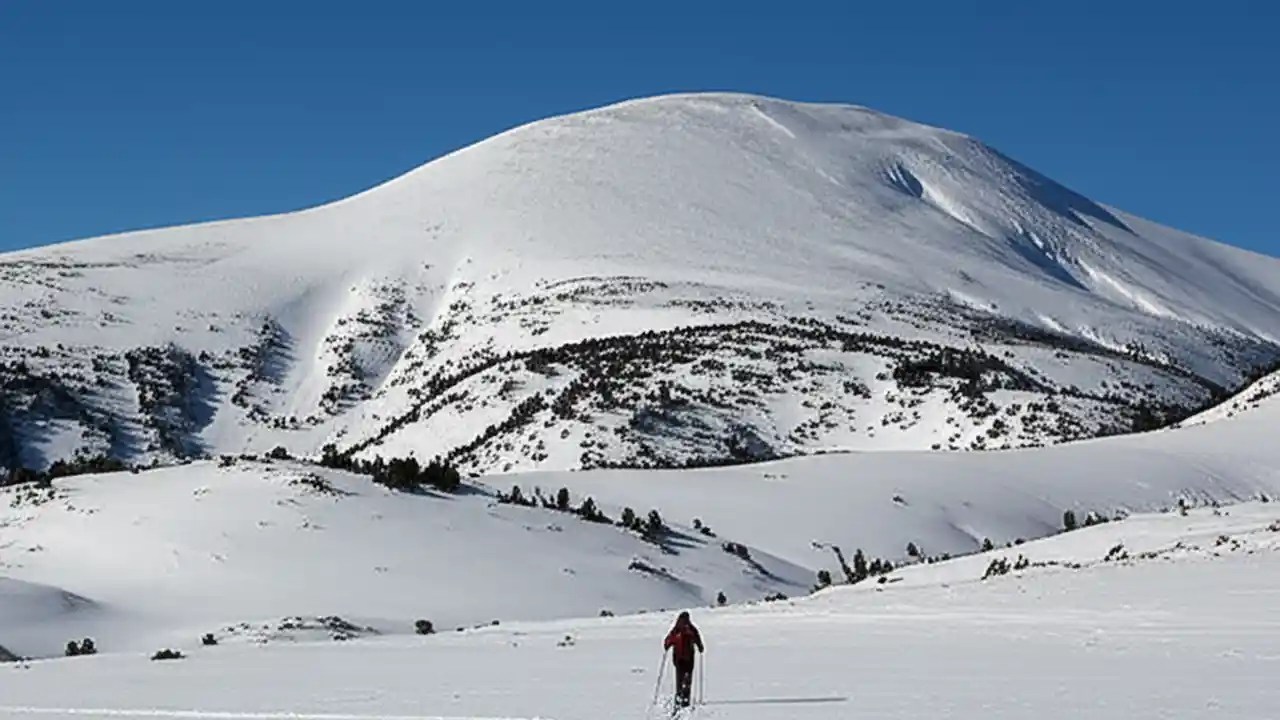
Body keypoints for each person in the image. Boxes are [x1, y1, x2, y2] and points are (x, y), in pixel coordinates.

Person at [663, 611, 704, 708]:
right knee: (683, 678)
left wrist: (700, 646)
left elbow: (697, 639)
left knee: (685, 678)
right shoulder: (679, 630)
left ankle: (683, 698)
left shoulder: (688, 629)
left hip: (686, 657)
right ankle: (682, 697)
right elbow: (669, 640)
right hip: (681, 658)